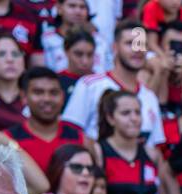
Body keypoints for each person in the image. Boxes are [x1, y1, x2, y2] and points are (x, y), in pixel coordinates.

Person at [62, 19, 167, 151]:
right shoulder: (89, 85)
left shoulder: (150, 96)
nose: (138, 50)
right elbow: (69, 133)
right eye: (130, 43)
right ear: (115, 48)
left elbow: (156, 148)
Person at [9, 66, 92, 176]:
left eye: (53, 93)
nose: (47, 99)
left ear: (62, 97)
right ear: (24, 97)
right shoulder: (8, 140)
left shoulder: (81, 140)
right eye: (38, 92)